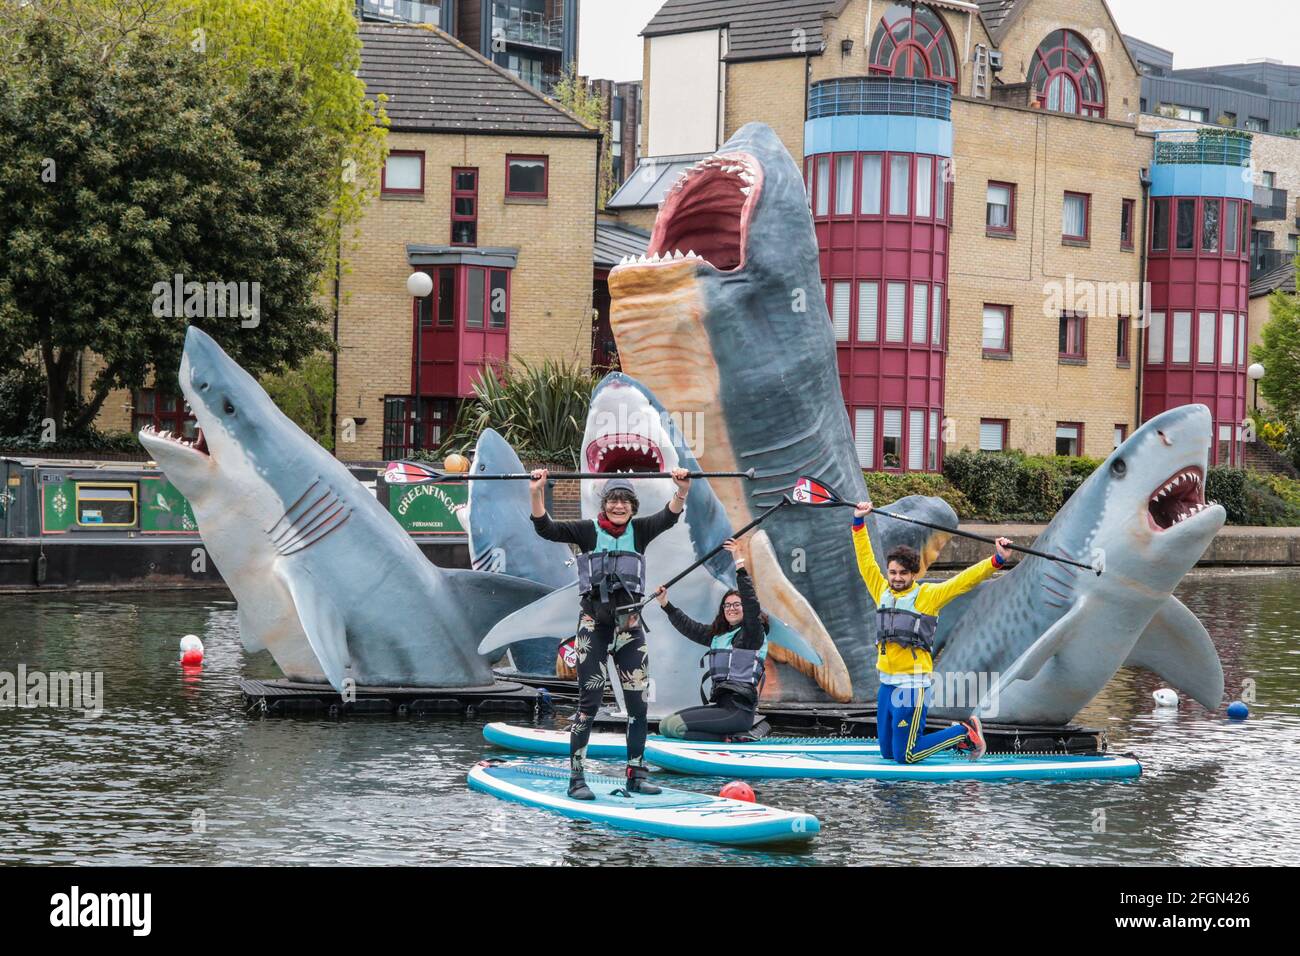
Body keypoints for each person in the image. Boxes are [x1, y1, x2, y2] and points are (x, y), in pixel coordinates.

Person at [529, 467, 692, 799]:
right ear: (604, 505)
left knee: (638, 706)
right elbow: (546, 528)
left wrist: (682, 489)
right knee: (588, 704)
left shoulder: (641, 530)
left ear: (633, 506)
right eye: (614, 501)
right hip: (594, 627)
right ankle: (576, 779)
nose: (619, 507)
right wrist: (537, 492)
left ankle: (635, 775)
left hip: (629, 630)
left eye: (625, 502)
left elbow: (670, 516)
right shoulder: (587, 531)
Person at [852, 501, 1013, 764]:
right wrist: (858, 522)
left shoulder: (929, 596)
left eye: (903, 573)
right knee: (887, 754)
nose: (897, 578)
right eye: (893, 572)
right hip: (887, 685)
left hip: (912, 687)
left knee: (906, 755)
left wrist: (996, 560)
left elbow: (963, 581)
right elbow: (865, 560)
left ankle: (963, 733)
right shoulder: (880, 590)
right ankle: (951, 735)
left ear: (913, 574)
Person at [654, 537, 767, 741]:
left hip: (739, 711)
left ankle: (733, 738)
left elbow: (751, 603)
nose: (731, 608)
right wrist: (666, 605)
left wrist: (738, 562)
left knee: (677, 727)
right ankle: (729, 737)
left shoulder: (752, 634)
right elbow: (690, 628)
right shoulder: (719, 637)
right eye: (727, 605)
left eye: (736, 605)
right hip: (721, 707)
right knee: (665, 726)